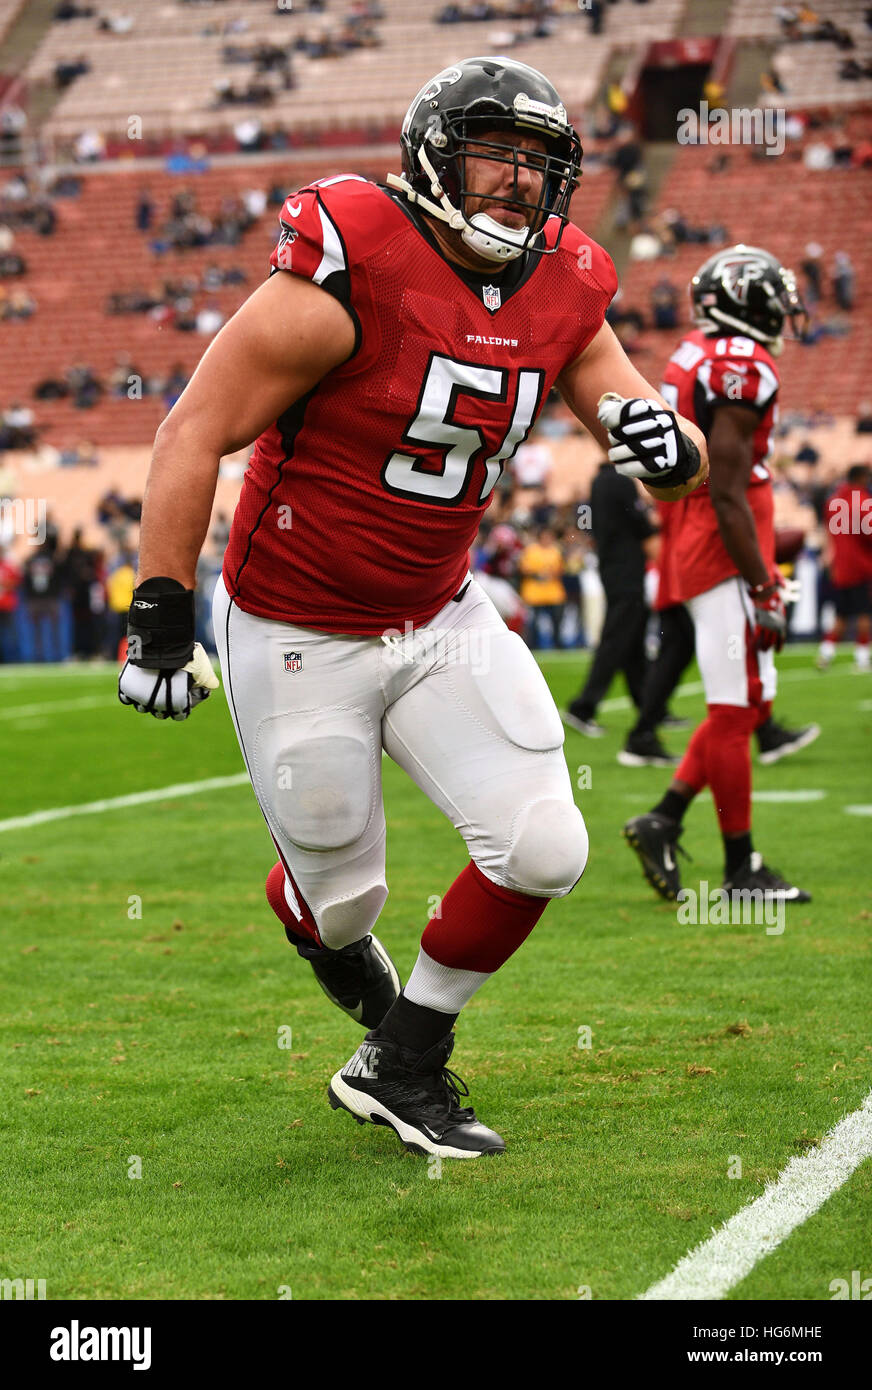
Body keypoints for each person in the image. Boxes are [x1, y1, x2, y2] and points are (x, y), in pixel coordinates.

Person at [118, 56, 707, 1160]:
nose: (517, 183)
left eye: (539, 164)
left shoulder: (564, 284)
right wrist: (159, 608)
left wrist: (667, 449)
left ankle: (401, 1059)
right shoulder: (350, 263)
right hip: (294, 623)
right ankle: (315, 919)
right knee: (345, 905)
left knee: (540, 845)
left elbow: (648, 445)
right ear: (433, 150)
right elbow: (190, 430)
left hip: (438, 615)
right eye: (496, 153)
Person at [623, 244, 812, 906]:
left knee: (750, 703)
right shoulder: (739, 365)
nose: (781, 313)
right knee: (735, 711)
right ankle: (741, 869)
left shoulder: (697, 352)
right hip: (724, 545)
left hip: (703, 539)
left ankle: (664, 819)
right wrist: (763, 582)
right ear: (745, 301)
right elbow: (728, 489)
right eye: (772, 299)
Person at [564, 460, 657, 737]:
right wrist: (656, 524)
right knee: (617, 638)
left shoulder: (599, 481)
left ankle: (650, 708)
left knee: (632, 639)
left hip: (612, 566)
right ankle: (583, 707)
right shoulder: (621, 481)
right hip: (626, 570)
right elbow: (640, 523)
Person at [817, 464, 872, 672]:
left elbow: (829, 531)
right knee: (864, 612)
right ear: (861, 477)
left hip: (839, 567)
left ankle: (825, 654)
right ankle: (862, 657)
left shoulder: (833, 501)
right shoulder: (864, 501)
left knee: (841, 613)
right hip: (861, 567)